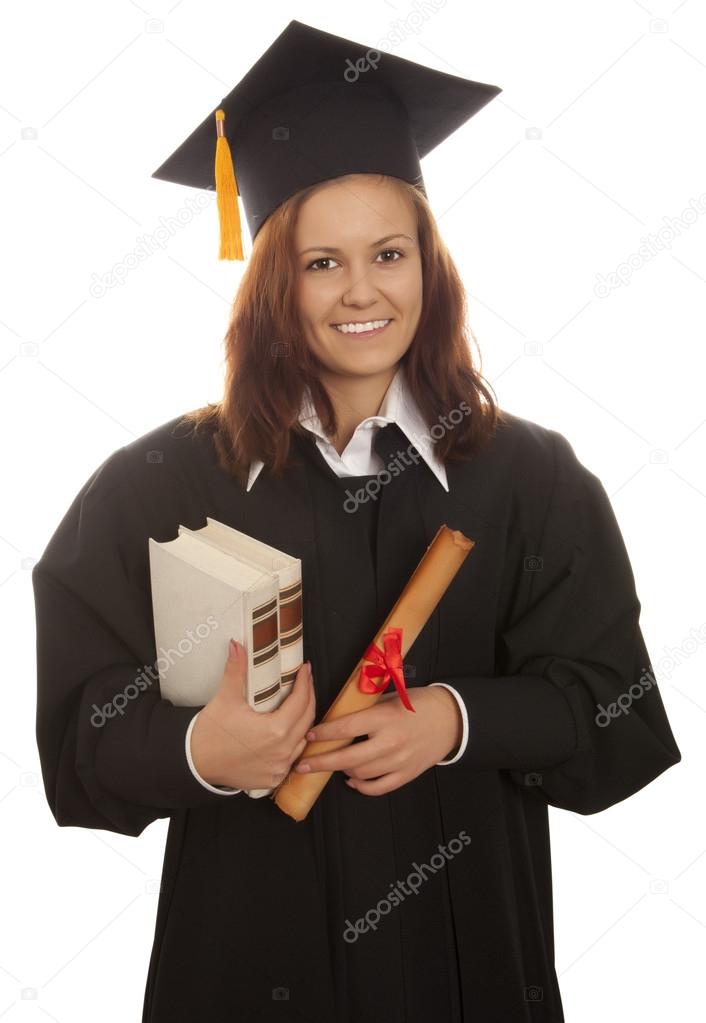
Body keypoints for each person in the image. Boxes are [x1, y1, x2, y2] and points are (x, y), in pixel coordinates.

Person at [32, 19, 681, 1023]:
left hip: (466, 970)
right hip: (245, 970)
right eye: (321, 263)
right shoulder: (155, 485)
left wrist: (456, 722)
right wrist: (201, 749)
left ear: (430, 264)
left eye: (389, 253)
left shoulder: (529, 479)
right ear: (270, 283)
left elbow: (618, 718)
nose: (363, 291)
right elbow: (80, 738)